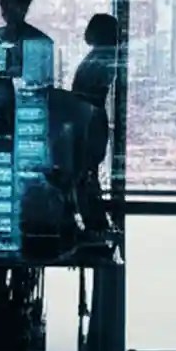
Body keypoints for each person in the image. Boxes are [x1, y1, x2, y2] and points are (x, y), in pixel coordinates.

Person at [71, 13, 119, 232]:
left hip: (88, 121)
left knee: (85, 174)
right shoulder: (104, 56)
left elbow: (89, 91)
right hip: (89, 120)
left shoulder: (102, 57)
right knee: (86, 173)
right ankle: (95, 223)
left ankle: (95, 224)